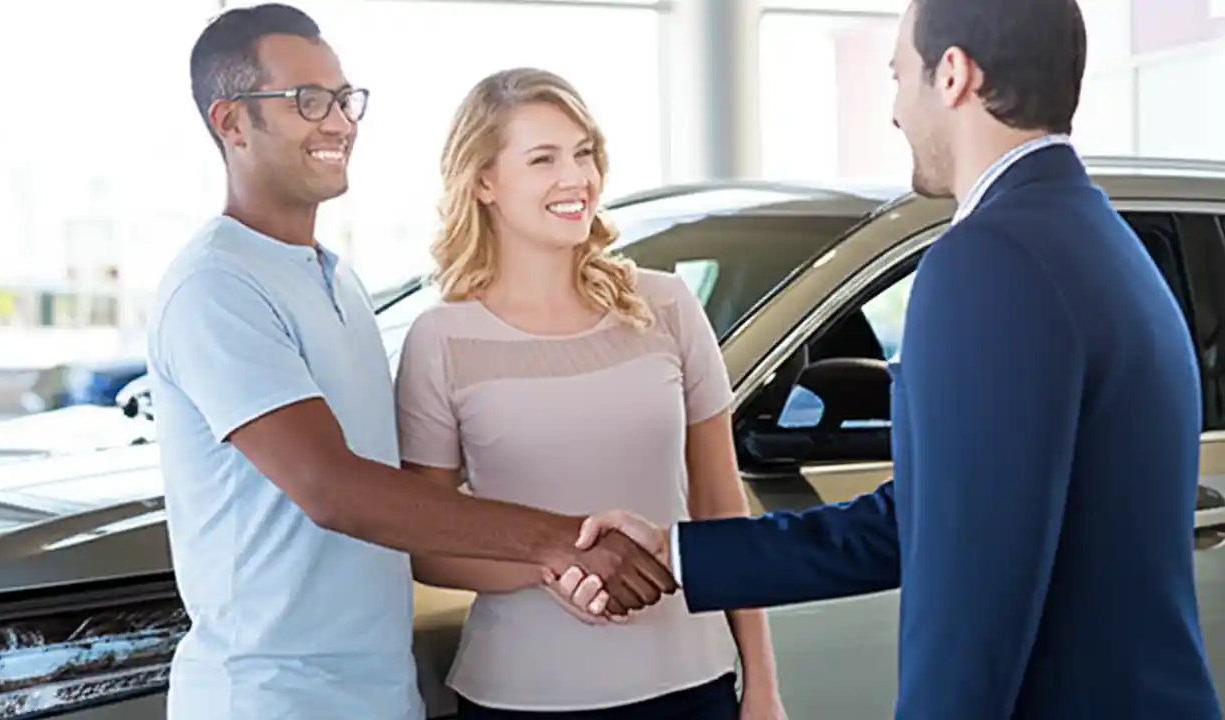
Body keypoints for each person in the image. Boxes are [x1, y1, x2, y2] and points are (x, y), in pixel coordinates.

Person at [568, 0, 1224, 718]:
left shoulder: (988, 260)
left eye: (897, 76)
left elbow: (973, 595)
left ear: (952, 75)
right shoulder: (1101, 240)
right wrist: (681, 554)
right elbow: (932, 517)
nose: (894, 111)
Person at [146, 6, 672, 719]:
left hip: (378, 693)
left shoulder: (336, 279)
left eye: (343, 98)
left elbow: (400, 490)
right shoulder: (215, 286)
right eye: (307, 101)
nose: (337, 122)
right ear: (232, 123)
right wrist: (562, 541)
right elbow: (333, 487)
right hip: (269, 700)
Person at [394, 67, 786, 720]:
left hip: (692, 685)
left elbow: (722, 506)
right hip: (520, 696)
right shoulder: (441, 340)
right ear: (484, 181)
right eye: (543, 158)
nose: (575, 178)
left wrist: (764, 683)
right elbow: (427, 545)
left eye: (583, 153)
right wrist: (559, 567)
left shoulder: (666, 306)